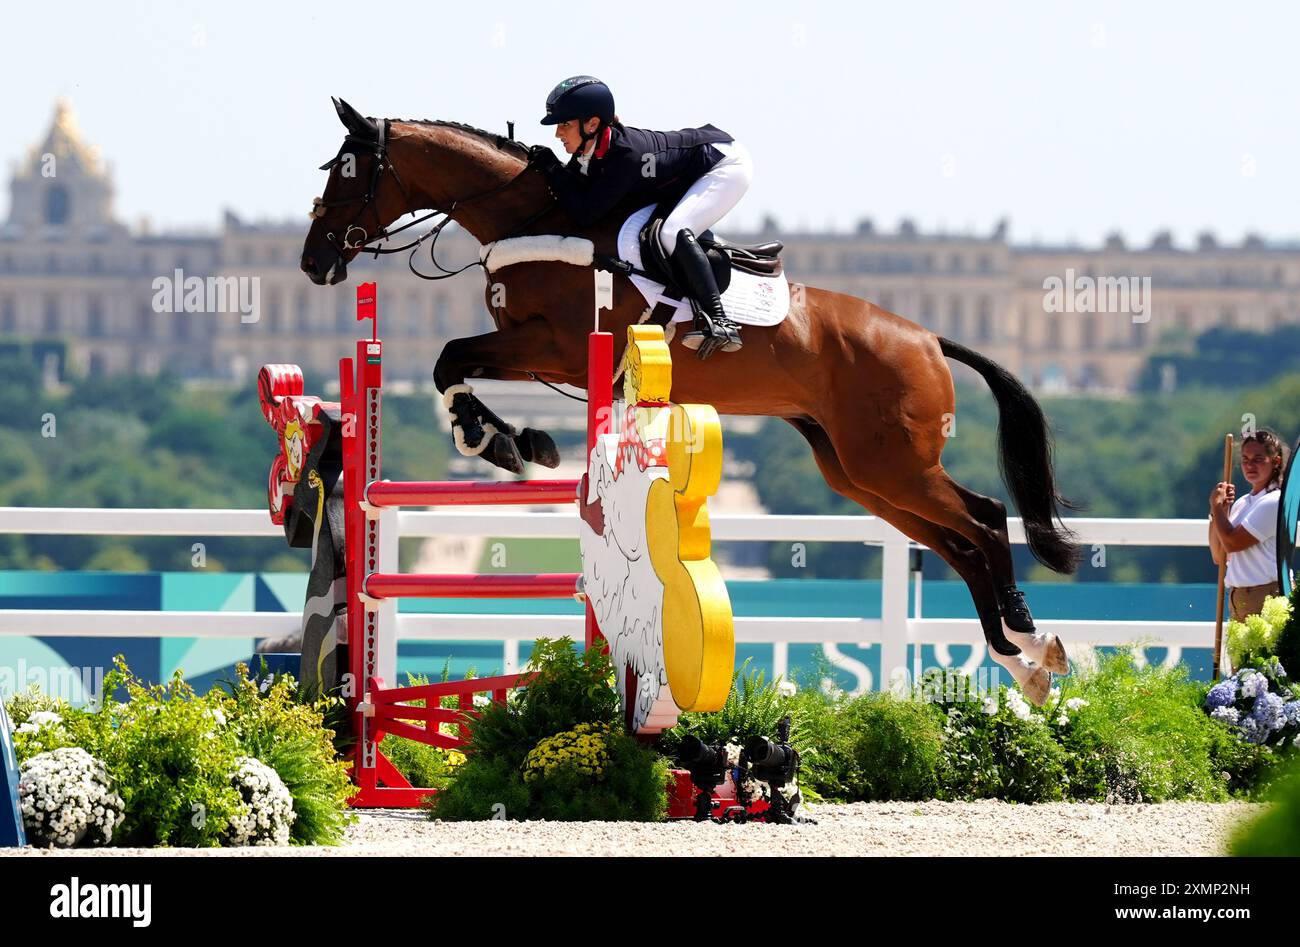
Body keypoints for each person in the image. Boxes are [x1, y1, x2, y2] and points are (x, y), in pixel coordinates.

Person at [529, 75, 753, 359]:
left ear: (593, 124)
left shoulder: (626, 155)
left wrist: (552, 168)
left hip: (723, 165)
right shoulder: (594, 149)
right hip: (682, 174)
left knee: (671, 233)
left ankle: (719, 322)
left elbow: (586, 213)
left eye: (564, 125)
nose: (558, 134)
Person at [1209, 428, 1289, 621]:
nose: (1249, 465)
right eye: (1245, 459)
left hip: (1266, 596)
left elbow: (1232, 543)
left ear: (1276, 461)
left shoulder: (1274, 501)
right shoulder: (1242, 503)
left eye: (1258, 459)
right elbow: (1219, 555)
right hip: (1239, 597)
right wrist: (1217, 511)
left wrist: (1217, 506)